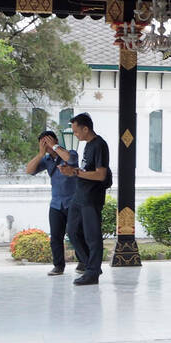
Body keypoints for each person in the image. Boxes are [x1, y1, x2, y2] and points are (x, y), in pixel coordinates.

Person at [60, 113, 110, 286]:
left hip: (92, 197)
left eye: (76, 131)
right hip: (79, 195)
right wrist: (72, 170)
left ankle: (92, 272)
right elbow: (85, 170)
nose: (75, 135)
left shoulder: (100, 145)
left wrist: (74, 172)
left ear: (86, 128)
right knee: (72, 232)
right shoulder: (88, 145)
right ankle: (91, 265)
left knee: (92, 236)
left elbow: (101, 174)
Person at [25, 130, 83, 276]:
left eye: (49, 141)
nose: (48, 146)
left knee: (75, 233)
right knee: (56, 236)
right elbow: (29, 170)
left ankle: (83, 261)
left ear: (56, 140)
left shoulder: (70, 152)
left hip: (73, 202)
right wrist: (40, 153)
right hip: (56, 203)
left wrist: (55, 146)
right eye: (44, 143)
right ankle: (58, 266)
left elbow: (71, 160)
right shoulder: (46, 160)